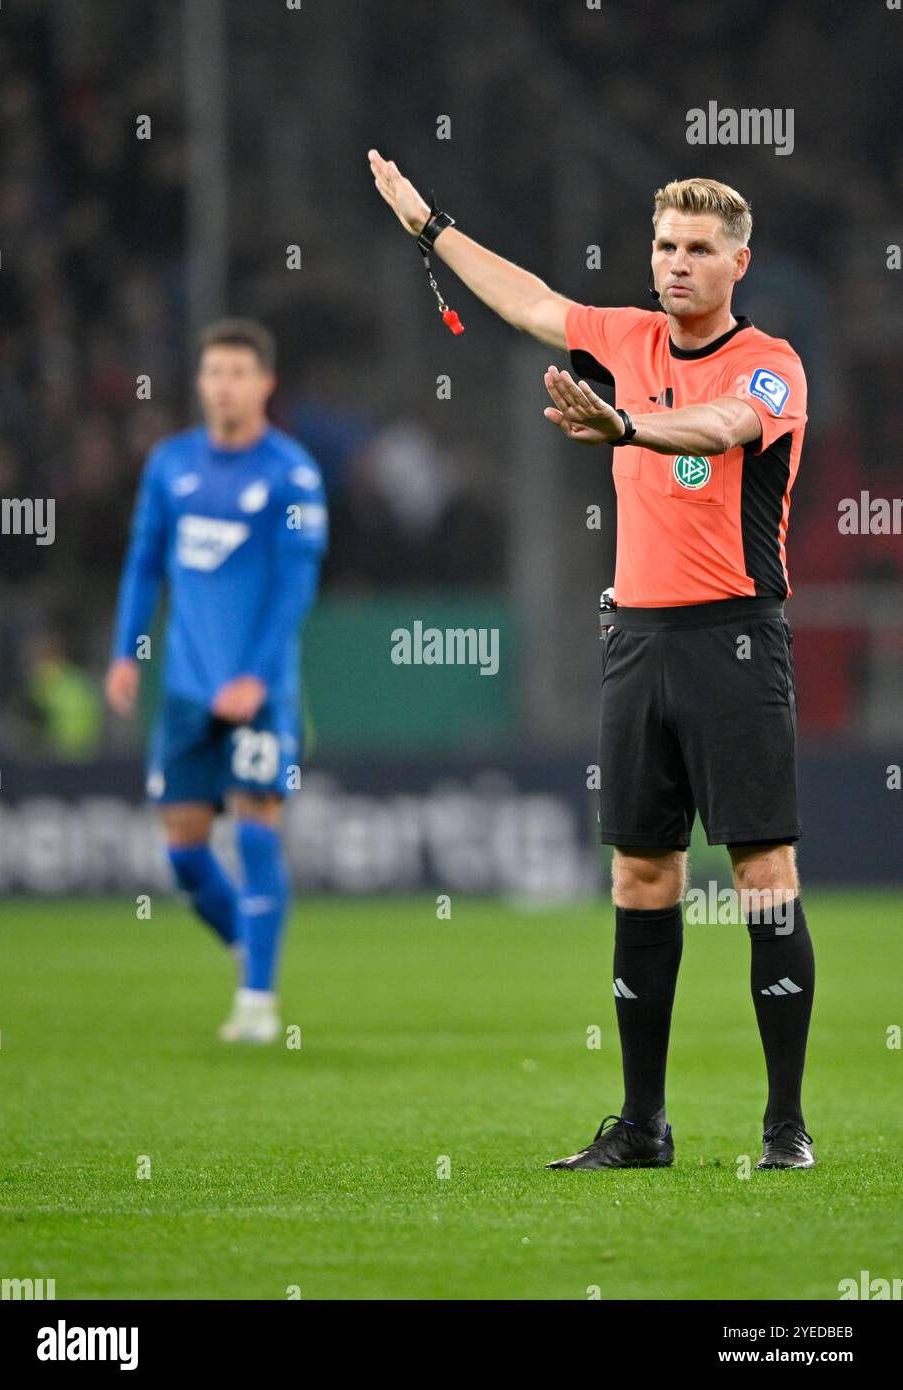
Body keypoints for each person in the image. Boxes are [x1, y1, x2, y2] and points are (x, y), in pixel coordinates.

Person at [368, 151, 814, 1171]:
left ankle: (783, 1123)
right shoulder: (621, 335)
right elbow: (526, 298)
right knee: (642, 873)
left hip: (735, 640)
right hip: (637, 643)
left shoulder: (770, 362)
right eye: (665, 245)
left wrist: (628, 426)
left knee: (762, 875)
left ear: (737, 261)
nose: (676, 263)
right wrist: (431, 227)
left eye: (699, 248)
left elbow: (723, 425)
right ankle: (642, 1124)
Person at [105, 319, 327, 1043]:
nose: (225, 385)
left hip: (262, 691)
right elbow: (144, 564)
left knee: (258, 835)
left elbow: (297, 587)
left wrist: (258, 679)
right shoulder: (170, 465)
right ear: (199, 382)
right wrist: (123, 653)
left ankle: (258, 1002)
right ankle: (247, 941)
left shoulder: (291, 473)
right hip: (186, 689)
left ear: (265, 384)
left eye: (239, 372)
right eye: (214, 372)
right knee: (185, 852)